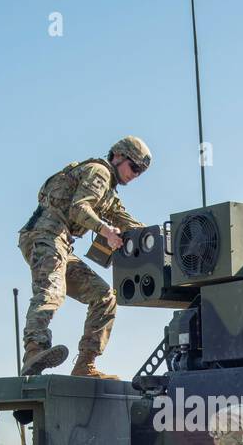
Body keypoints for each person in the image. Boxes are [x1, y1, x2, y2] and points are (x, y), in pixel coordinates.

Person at [17, 136, 152, 380]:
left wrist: (159, 238)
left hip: (61, 245)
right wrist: (106, 231)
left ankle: (85, 365)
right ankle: (34, 349)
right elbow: (79, 208)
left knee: (104, 297)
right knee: (52, 291)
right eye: (134, 167)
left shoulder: (108, 191)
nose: (136, 174)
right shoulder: (99, 172)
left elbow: (127, 220)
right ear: (119, 157)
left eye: (140, 172)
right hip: (45, 237)